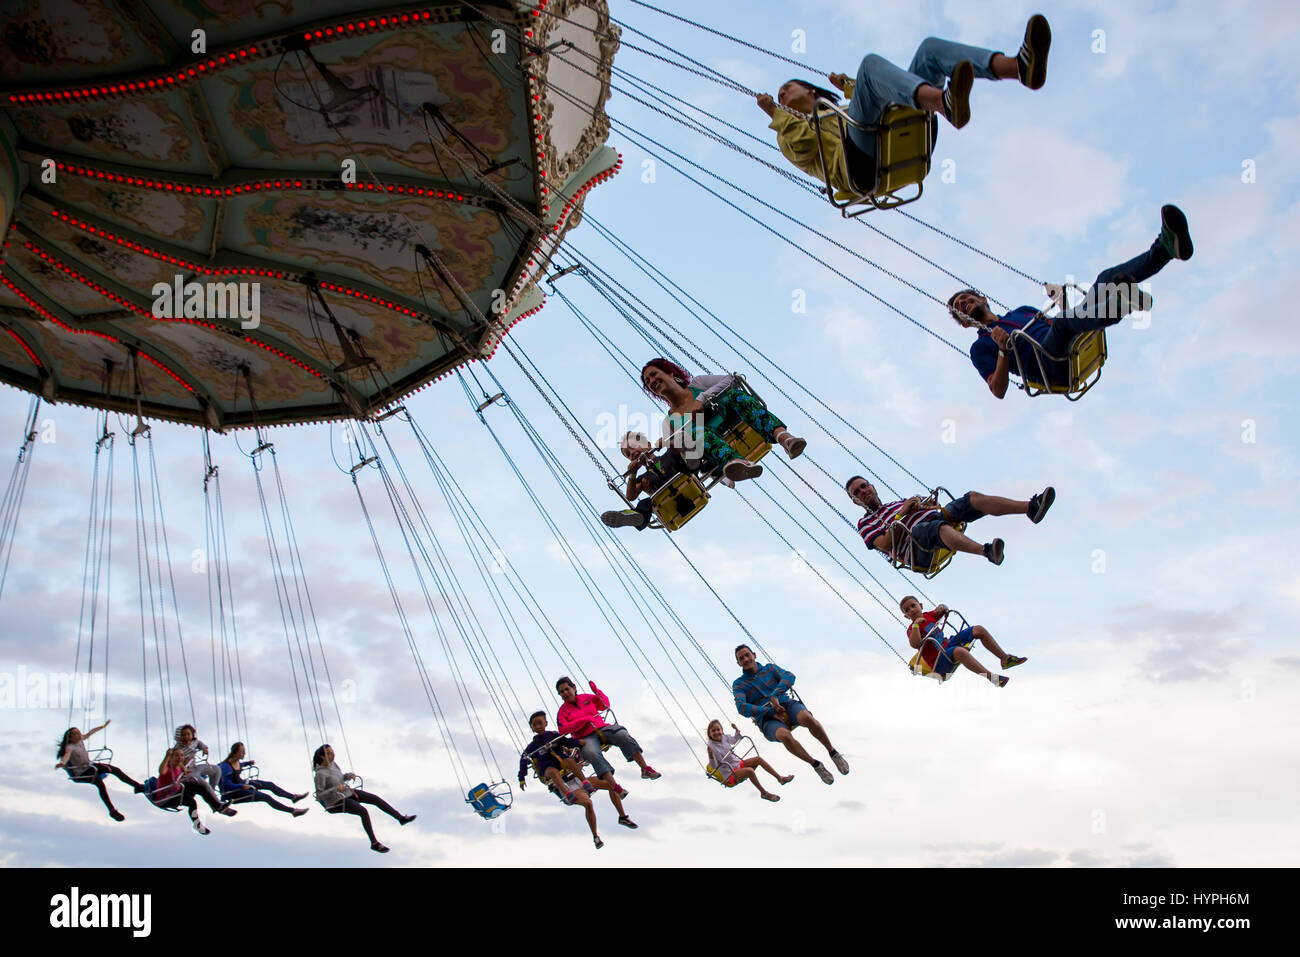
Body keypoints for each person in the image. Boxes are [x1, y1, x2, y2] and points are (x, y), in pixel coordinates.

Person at [757, 16, 1051, 199]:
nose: (781, 94)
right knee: (870, 65)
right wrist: (776, 113)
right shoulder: (787, 135)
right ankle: (943, 104)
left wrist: (846, 84)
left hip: (899, 138)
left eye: (787, 88)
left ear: (809, 89)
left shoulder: (844, 108)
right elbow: (806, 145)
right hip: (859, 167)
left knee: (929, 50)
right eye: (780, 95)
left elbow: (875, 91)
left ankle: (1017, 67)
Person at [949, 205, 1194, 399]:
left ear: (982, 297)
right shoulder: (980, 348)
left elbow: (1066, 325)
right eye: (959, 307)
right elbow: (998, 390)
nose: (964, 303)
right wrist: (1003, 351)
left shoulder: (1023, 311)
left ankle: (1165, 250)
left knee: (1105, 279)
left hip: (1062, 343)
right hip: (1051, 367)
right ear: (964, 323)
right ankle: (1122, 303)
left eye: (965, 298)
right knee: (1064, 323)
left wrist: (1062, 301)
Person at [641, 358, 805, 483]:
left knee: (736, 396)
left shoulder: (698, 383)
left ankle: (785, 439)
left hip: (736, 420)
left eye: (654, 374)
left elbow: (731, 380)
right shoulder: (669, 422)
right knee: (697, 432)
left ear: (670, 373)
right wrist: (670, 443)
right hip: (711, 445)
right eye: (648, 382)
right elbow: (685, 457)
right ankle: (736, 463)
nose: (652, 381)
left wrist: (701, 399)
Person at [846, 477, 1054, 568]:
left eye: (864, 486)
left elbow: (929, 511)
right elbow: (884, 545)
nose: (863, 491)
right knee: (935, 529)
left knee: (972, 498)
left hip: (933, 520)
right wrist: (902, 514)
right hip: (915, 545)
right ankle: (986, 551)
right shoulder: (866, 523)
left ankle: (1031, 508)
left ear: (872, 486)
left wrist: (925, 504)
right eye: (857, 492)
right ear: (854, 501)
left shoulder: (896, 502)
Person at [732, 646, 847, 785]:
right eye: (741, 658)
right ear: (738, 663)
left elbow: (789, 676)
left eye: (747, 655)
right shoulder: (739, 684)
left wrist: (775, 695)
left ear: (754, 655)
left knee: (807, 718)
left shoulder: (770, 669)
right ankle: (816, 764)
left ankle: (833, 752)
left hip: (785, 704)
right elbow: (741, 707)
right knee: (784, 736)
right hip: (767, 718)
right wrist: (767, 711)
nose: (745, 659)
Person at [555, 676, 656, 834]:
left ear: (574, 688)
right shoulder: (563, 712)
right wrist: (583, 721)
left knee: (622, 734)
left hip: (600, 728)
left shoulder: (587, 698)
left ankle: (645, 768)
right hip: (584, 737)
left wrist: (596, 691)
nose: (565, 693)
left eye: (567, 689)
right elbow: (563, 729)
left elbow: (604, 705)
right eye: (561, 692)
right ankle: (614, 786)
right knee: (592, 753)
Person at [517, 711, 629, 849]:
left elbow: (568, 741)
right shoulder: (532, 746)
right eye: (535, 725)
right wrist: (521, 777)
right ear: (532, 728)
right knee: (588, 803)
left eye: (540, 723)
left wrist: (578, 742)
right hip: (561, 780)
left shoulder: (554, 736)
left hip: (570, 771)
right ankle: (595, 835)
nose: (538, 726)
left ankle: (622, 816)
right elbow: (523, 760)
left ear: (545, 723)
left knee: (609, 783)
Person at [901, 596, 1026, 687]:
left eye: (913, 606)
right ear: (906, 616)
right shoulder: (911, 629)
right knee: (959, 652)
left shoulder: (929, 615)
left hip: (948, 645)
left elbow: (944, 608)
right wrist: (916, 626)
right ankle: (991, 677)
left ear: (920, 606)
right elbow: (915, 643)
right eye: (907, 610)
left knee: (978, 630)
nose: (911, 610)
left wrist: (942, 608)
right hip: (939, 661)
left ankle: (1005, 659)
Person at [312, 744, 415, 853]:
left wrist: (347, 776)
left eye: (332, 752)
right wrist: (336, 789)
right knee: (363, 811)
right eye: (329, 753)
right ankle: (374, 843)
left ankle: (401, 818)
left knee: (375, 799)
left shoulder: (333, 765)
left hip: (347, 793)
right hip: (336, 801)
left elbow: (340, 778)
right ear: (322, 757)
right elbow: (320, 795)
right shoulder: (320, 774)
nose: (332, 755)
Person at [602, 431, 699, 531]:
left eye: (634, 446)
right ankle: (637, 517)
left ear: (648, 445)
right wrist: (633, 474)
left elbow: (676, 450)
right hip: (668, 502)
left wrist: (666, 443)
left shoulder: (668, 455)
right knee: (646, 503)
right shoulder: (643, 478)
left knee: (679, 454)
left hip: (686, 479)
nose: (631, 453)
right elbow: (631, 496)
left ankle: (694, 462)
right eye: (628, 454)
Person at [55, 719, 144, 821]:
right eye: (75, 733)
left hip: (89, 765)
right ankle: (112, 811)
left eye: (79, 732)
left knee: (114, 770)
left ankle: (137, 786)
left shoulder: (80, 739)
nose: (79, 734)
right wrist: (62, 763)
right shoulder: (70, 747)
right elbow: (66, 755)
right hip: (82, 772)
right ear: (70, 737)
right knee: (100, 784)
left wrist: (103, 726)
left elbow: (91, 732)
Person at [150, 747, 234, 834]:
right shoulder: (167, 768)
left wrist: (183, 767)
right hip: (167, 798)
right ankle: (197, 825)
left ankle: (217, 806)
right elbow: (161, 771)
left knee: (200, 786)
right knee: (191, 802)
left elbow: (180, 765)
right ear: (171, 758)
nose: (180, 758)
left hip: (178, 791)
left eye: (181, 755)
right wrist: (167, 756)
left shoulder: (179, 767)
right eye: (176, 756)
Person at [706, 719, 793, 801]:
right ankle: (764, 793)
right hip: (730, 773)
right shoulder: (711, 746)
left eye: (718, 730)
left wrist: (736, 730)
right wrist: (711, 756)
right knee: (750, 771)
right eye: (713, 731)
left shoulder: (725, 737)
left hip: (738, 764)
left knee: (758, 759)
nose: (716, 732)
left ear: (722, 730)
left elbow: (735, 739)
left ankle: (780, 778)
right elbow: (714, 766)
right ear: (709, 734)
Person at [219, 742, 309, 817]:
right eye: (242, 752)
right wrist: (242, 786)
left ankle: (293, 797)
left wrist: (248, 763)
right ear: (234, 753)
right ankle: (293, 811)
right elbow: (227, 785)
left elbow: (240, 765)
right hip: (234, 793)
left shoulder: (236, 762)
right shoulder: (225, 767)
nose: (244, 754)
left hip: (242, 784)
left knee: (270, 784)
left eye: (244, 751)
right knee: (266, 797)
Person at [173, 724, 222, 803]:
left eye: (188, 734)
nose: (186, 737)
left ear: (192, 735)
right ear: (179, 737)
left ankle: (211, 791)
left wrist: (204, 748)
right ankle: (213, 800)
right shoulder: (178, 748)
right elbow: (174, 762)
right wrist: (182, 765)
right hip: (186, 771)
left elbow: (199, 743)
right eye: (183, 735)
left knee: (216, 769)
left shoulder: (194, 742)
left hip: (195, 767)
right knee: (198, 780)